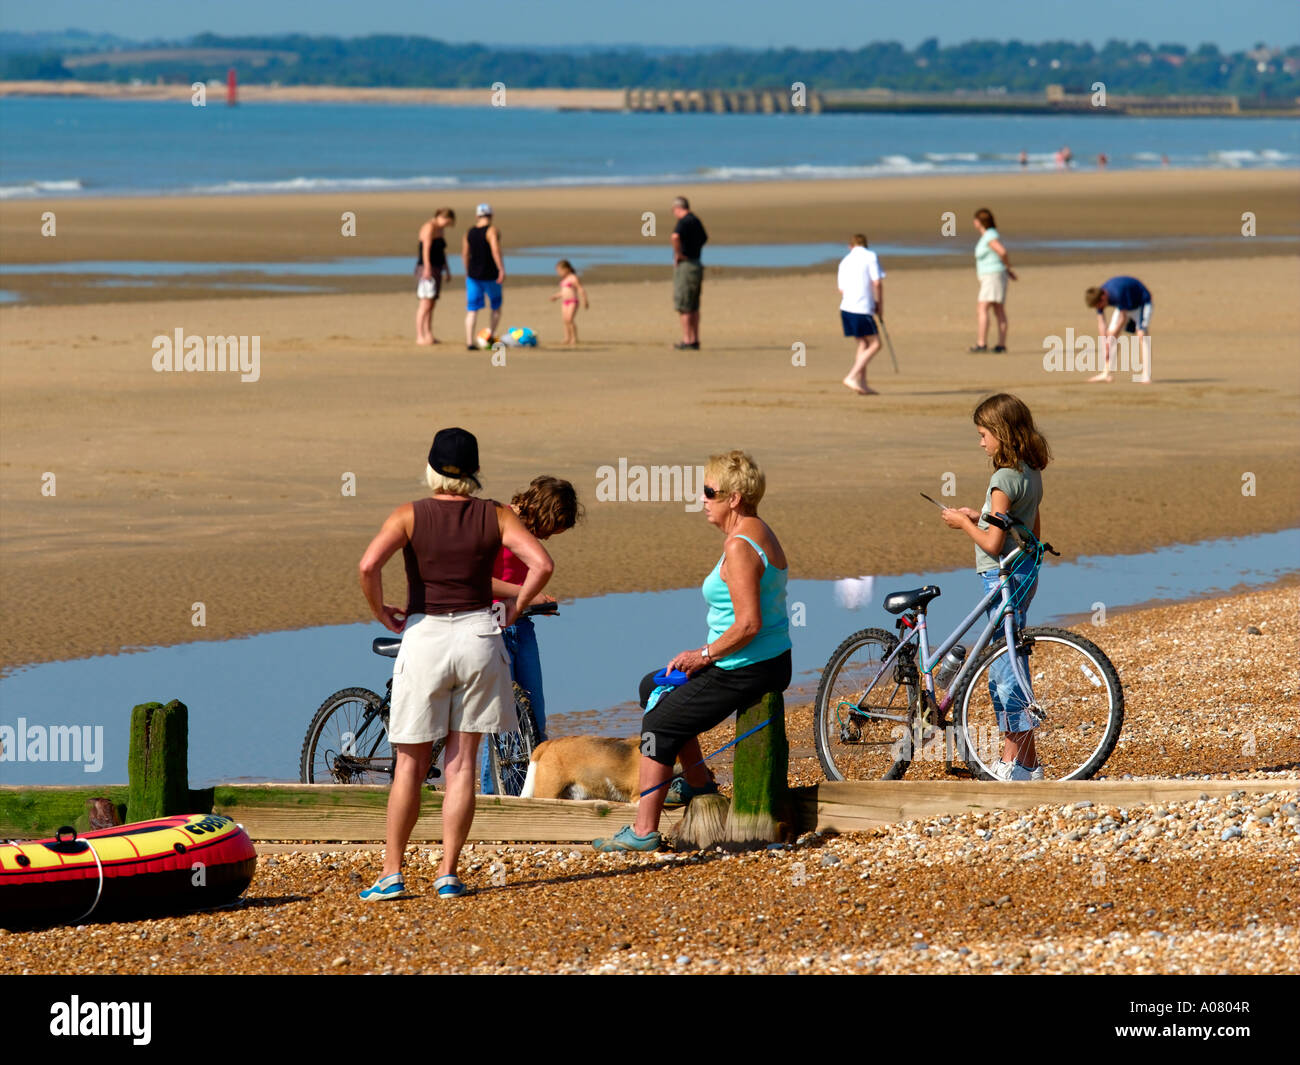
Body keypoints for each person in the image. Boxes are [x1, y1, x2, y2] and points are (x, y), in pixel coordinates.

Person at [356, 427, 553, 900]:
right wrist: (517, 606)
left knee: (410, 762)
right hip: (479, 637)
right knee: (462, 763)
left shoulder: (409, 514)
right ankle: (447, 872)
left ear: (431, 468)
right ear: (475, 472)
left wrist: (380, 610)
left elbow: (368, 566)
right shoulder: (496, 515)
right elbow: (541, 563)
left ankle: (392, 874)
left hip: (425, 636)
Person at [592, 450, 792, 852]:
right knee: (653, 686)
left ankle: (644, 830)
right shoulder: (755, 529)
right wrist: (704, 655)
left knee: (660, 724)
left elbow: (749, 624)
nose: (702, 499)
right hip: (756, 658)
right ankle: (698, 785)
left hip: (748, 665)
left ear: (733, 497)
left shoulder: (740, 546)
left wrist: (703, 655)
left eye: (709, 491)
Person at [939, 394, 1050, 782]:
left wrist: (963, 524)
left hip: (1000, 576)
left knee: (1004, 670)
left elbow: (991, 543)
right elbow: (1029, 526)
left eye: (983, 434)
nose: (980, 442)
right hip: (1024, 573)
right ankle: (1026, 763)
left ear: (1002, 434)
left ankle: (1015, 762)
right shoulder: (1030, 472)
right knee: (1009, 662)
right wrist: (980, 514)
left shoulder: (1002, 479)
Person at [480, 476, 583, 794]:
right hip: (489, 624)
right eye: (550, 530)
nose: (548, 538)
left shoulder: (525, 532)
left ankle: (528, 794)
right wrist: (529, 593)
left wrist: (535, 603)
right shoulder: (497, 521)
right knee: (498, 722)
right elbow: (477, 580)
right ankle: (492, 795)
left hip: (520, 625)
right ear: (545, 513)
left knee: (533, 718)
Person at [836, 234, 886, 395]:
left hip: (846, 309)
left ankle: (862, 383)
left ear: (850, 246)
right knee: (876, 344)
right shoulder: (870, 256)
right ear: (865, 245)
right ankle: (851, 376)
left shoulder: (844, 261)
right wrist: (880, 305)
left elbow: (841, 289)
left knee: (863, 344)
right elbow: (877, 282)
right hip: (862, 309)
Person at [1084, 276, 1153, 383]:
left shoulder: (1118, 293)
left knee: (1142, 334)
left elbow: (1123, 318)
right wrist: (1105, 342)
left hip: (1141, 303)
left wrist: (1112, 336)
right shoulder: (1099, 296)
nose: (1099, 308)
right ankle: (1106, 373)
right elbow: (1101, 322)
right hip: (1123, 307)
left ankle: (1146, 374)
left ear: (1103, 298)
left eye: (1099, 305)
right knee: (1111, 337)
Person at [969, 208, 1016, 353]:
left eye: (975, 219)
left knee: (983, 307)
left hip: (993, 275)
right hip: (992, 275)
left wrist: (1008, 267)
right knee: (997, 308)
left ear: (980, 222)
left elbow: (1002, 251)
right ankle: (1000, 344)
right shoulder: (988, 236)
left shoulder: (989, 236)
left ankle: (982, 343)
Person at [463, 204, 505, 350]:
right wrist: (501, 269)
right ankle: (492, 336)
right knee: (496, 306)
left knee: (472, 309)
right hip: (490, 275)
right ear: (491, 216)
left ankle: (469, 342)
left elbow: (465, 253)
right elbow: (495, 250)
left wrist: (467, 269)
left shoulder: (470, 232)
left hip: (473, 275)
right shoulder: (492, 230)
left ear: (477, 216)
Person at [670, 196, 708, 349]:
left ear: (678, 208)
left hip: (686, 265)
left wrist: (678, 253)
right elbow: (704, 238)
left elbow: (675, 236)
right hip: (697, 264)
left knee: (684, 304)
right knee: (694, 305)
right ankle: (695, 339)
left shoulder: (684, 221)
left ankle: (687, 340)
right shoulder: (696, 221)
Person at [415, 208, 455, 345]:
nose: (446, 225)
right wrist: (427, 268)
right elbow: (426, 249)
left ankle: (429, 334)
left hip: (437, 268)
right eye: (446, 221)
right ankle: (420, 335)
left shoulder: (440, 229)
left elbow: (442, 252)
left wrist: (447, 269)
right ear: (440, 217)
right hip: (426, 268)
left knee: (432, 303)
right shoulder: (429, 227)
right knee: (425, 303)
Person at [549, 260, 590, 345]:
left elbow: (580, 289)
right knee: (565, 320)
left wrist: (585, 300)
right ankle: (567, 337)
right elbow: (563, 292)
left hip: (573, 302)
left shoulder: (573, 278)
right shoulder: (564, 280)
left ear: (567, 269)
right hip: (565, 302)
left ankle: (574, 338)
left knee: (570, 319)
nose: (559, 273)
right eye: (558, 271)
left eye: (560, 271)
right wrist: (556, 296)